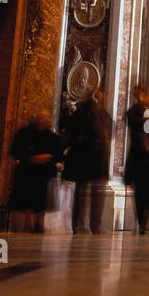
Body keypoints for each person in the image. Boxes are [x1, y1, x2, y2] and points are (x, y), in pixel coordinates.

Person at [62, 88, 113, 234]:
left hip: (97, 158)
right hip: (84, 156)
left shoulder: (102, 113)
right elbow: (73, 127)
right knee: (82, 193)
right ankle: (79, 225)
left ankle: (94, 225)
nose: (105, 98)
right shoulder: (85, 111)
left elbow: (112, 129)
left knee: (95, 193)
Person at [8, 112, 63, 232]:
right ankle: (24, 227)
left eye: (46, 118)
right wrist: (31, 158)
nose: (44, 120)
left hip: (45, 173)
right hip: (27, 172)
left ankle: (39, 226)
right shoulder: (24, 134)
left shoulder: (53, 137)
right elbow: (15, 150)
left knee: (42, 203)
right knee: (24, 202)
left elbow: (59, 154)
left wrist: (48, 157)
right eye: (41, 118)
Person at [123, 86, 149, 233]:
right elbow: (137, 124)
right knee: (139, 191)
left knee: (148, 190)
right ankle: (140, 222)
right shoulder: (132, 112)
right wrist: (146, 115)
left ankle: (145, 221)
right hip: (138, 156)